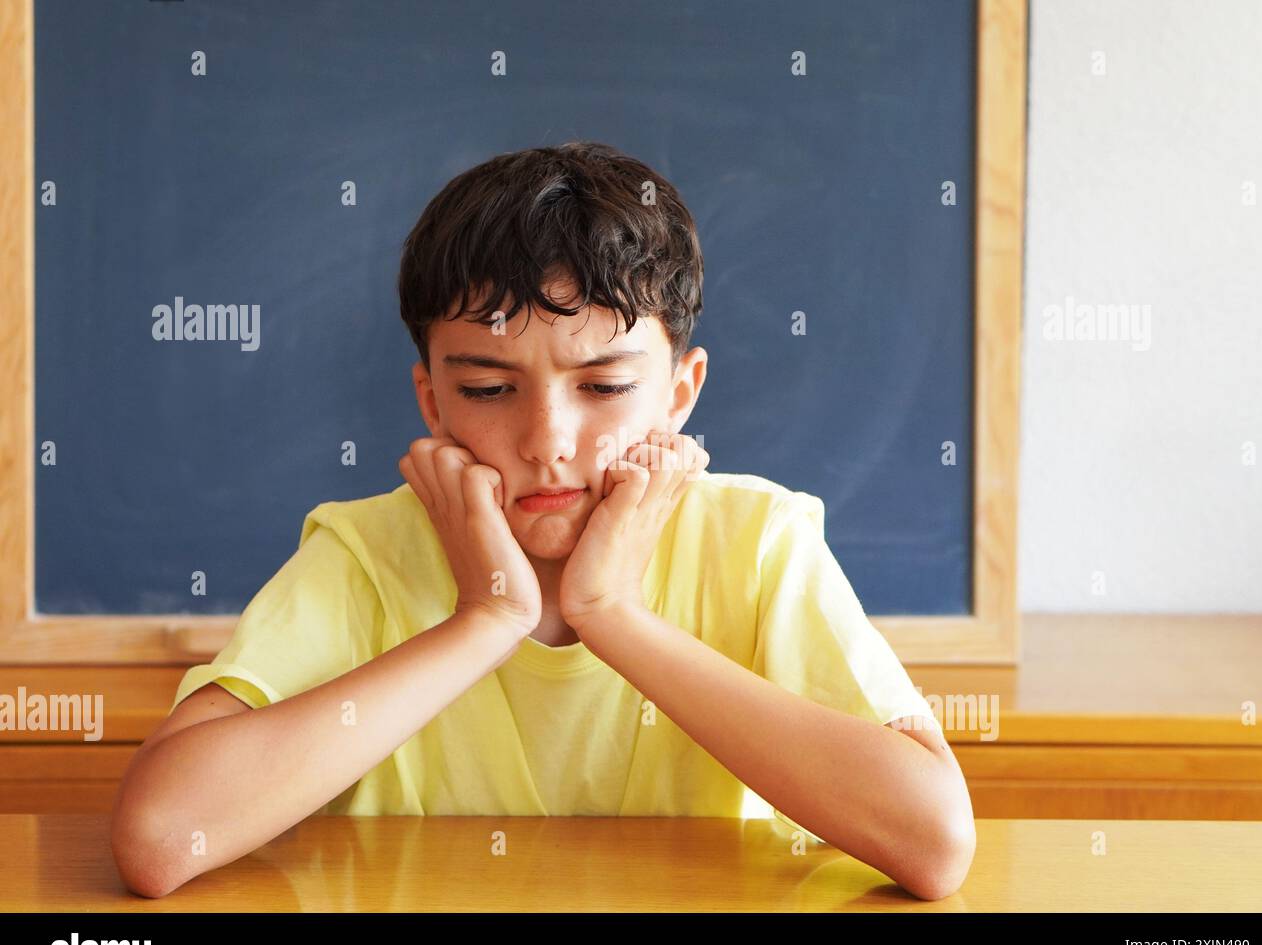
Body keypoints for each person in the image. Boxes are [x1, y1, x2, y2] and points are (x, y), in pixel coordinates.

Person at [110, 141, 975, 901]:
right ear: (434, 401)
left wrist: (614, 616)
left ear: (680, 394)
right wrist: (487, 618)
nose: (547, 441)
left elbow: (934, 844)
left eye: (602, 387)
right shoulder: (366, 552)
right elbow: (158, 838)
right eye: (488, 388)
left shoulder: (757, 541)